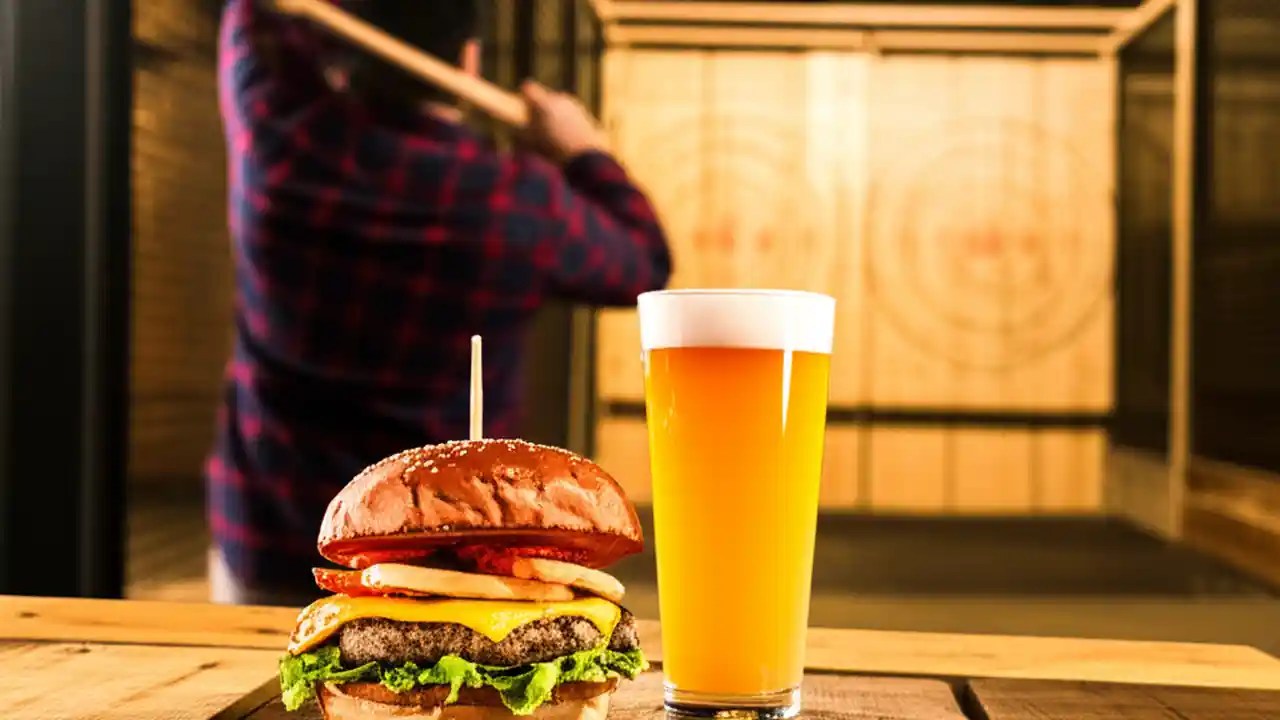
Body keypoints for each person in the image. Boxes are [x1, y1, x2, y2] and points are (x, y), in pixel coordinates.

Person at [207, 0, 672, 606]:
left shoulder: (284, 143)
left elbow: (253, 18)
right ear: (470, 58)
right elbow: (643, 261)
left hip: (267, 533)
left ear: (343, 52)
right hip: (445, 556)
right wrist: (584, 151)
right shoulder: (521, 203)